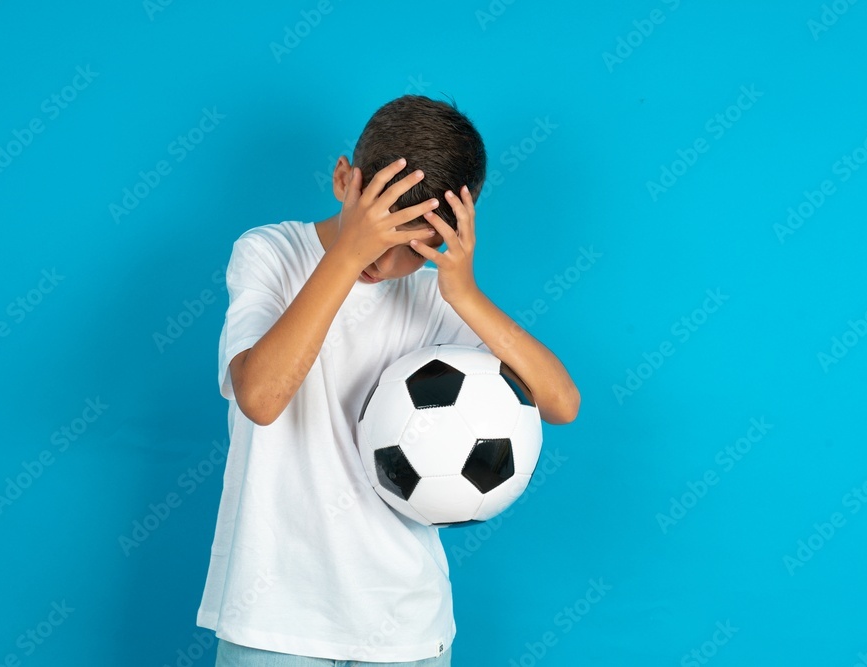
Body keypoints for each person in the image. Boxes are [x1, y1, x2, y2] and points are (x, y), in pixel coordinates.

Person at [197, 95, 580, 666]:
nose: (391, 259)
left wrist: (465, 292)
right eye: (383, 231)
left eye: (417, 248)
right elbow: (261, 396)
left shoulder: (433, 297)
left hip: (404, 625)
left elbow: (561, 402)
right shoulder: (270, 254)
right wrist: (348, 255)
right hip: (275, 619)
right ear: (343, 179)